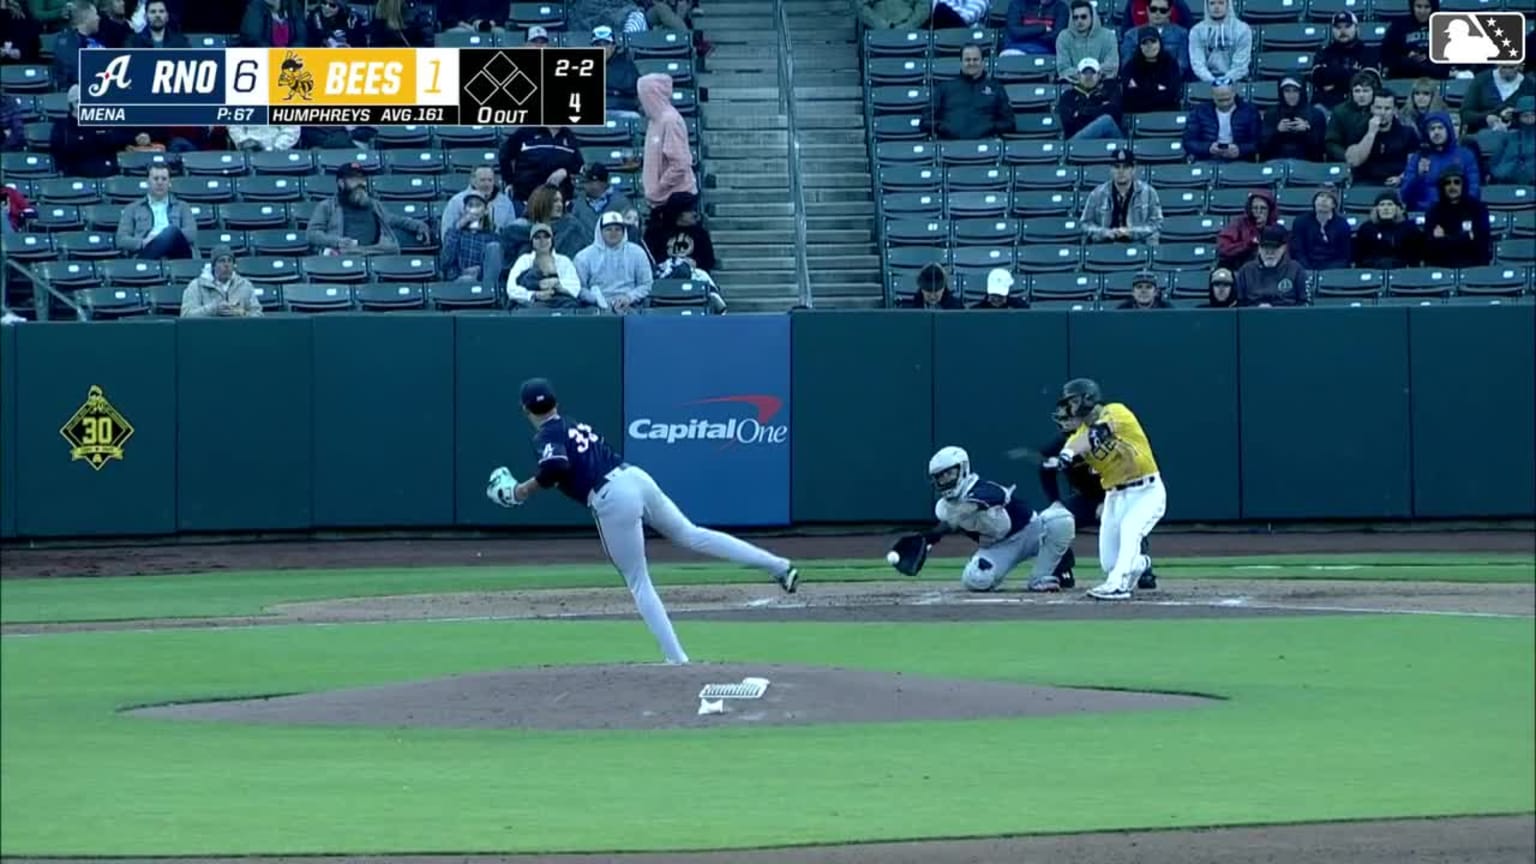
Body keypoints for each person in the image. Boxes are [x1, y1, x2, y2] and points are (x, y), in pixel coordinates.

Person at [486, 378, 800, 665]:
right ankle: (779, 566)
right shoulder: (571, 424)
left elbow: (555, 467)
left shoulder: (547, 433)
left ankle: (676, 659)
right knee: (693, 535)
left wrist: (521, 491)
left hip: (611, 496)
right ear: (555, 402)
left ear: (525, 408)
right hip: (635, 478)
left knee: (638, 580)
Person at [1050, 378, 1165, 601]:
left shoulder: (1115, 410)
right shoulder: (1078, 434)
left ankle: (1118, 585)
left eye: (1073, 401)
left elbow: (1099, 432)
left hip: (1146, 490)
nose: (1069, 407)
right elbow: (1076, 442)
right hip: (1115, 495)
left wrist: (1068, 454)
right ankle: (1141, 563)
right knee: (1109, 563)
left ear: (1088, 398)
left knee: (1131, 529)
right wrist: (1065, 455)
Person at [903, 445, 1075, 593]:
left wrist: (944, 527)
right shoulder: (943, 508)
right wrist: (929, 539)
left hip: (1032, 532)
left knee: (1061, 519)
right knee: (975, 579)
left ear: (963, 469)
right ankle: (1053, 565)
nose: (945, 479)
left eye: (949, 473)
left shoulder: (983, 487)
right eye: (940, 476)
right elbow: (951, 519)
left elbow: (982, 501)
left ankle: (1042, 575)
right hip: (999, 547)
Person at [179, 246, 262, 317]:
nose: (226, 265)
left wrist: (241, 313)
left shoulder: (245, 286)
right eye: (222, 261)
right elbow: (186, 315)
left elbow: (259, 315)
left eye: (230, 261)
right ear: (213, 266)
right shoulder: (196, 286)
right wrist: (212, 309)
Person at [1235, 225, 1307, 307]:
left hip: (1287, 317)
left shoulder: (1296, 270)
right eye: (1265, 247)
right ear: (1259, 248)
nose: (1269, 253)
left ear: (1284, 248)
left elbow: (1305, 304)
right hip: (1252, 317)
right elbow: (1238, 305)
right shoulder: (1246, 271)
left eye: (1274, 248)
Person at [1285, 186, 1352, 272]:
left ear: (1334, 205)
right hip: (1306, 267)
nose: (1323, 200)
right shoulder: (1301, 222)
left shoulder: (1342, 225)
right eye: (1320, 196)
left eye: (1328, 197)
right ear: (1315, 201)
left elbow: (1344, 257)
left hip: (1333, 269)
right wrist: (1308, 270)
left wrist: (1327, 273)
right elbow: (1298, 252)